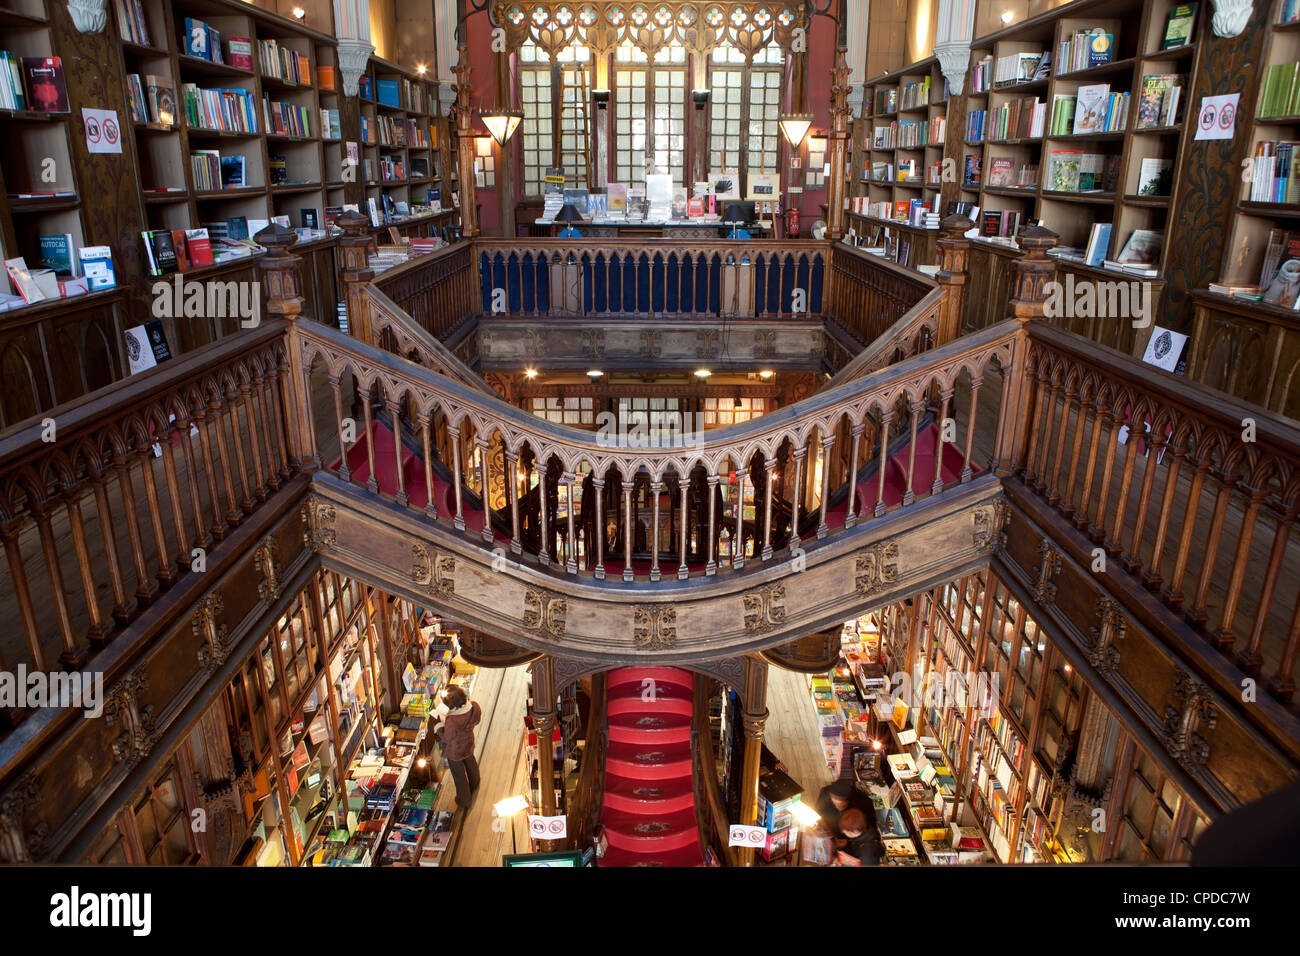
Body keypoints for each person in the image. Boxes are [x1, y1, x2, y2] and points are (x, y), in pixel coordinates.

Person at [434, 685, 481, 809]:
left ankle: (464, 800)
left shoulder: (452, 720)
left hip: (455, 751)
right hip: (468, 743)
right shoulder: (474, 707)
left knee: (459, 775)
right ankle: (475, 783)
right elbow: (477, 721)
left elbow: (447, 738)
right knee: (471, 762)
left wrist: (439, 728)